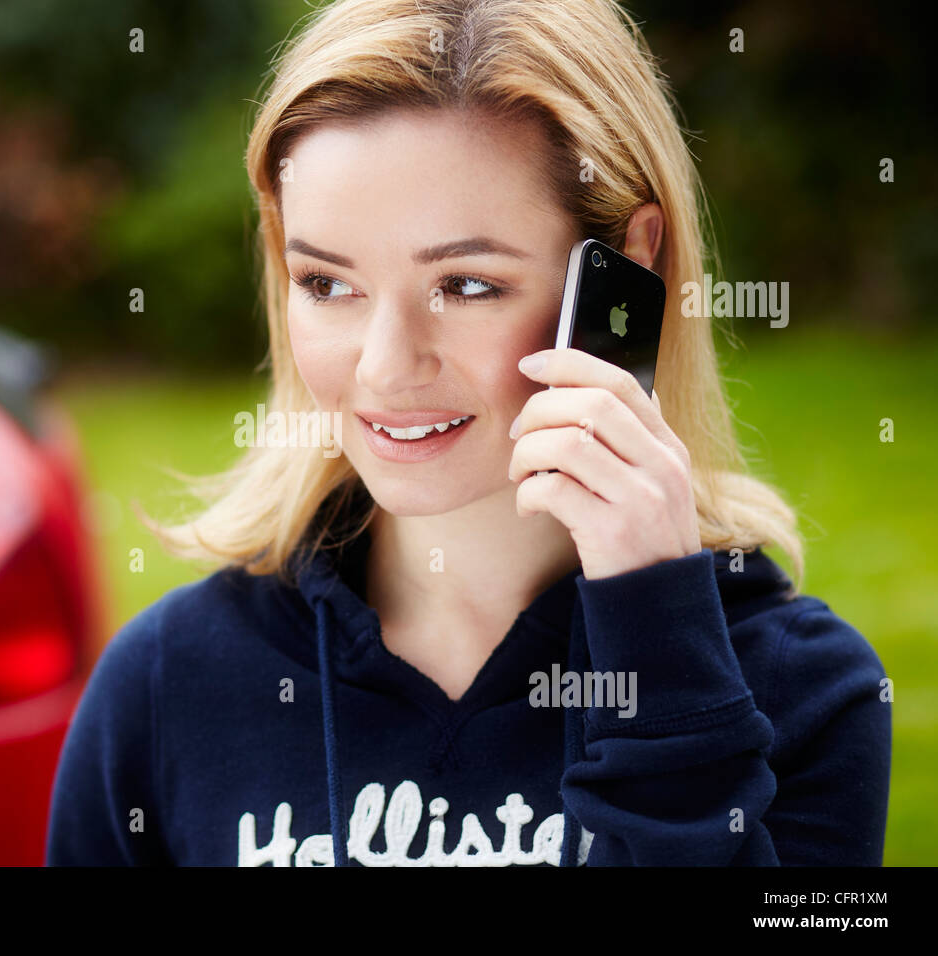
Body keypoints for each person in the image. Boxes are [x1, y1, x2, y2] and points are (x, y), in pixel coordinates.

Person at [46, 0, 890, 866]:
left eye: (466, 284)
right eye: (327, 283)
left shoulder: (803, 689)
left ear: (626, 273)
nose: (382, 366)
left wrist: (660, 648)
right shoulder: (167, 683)